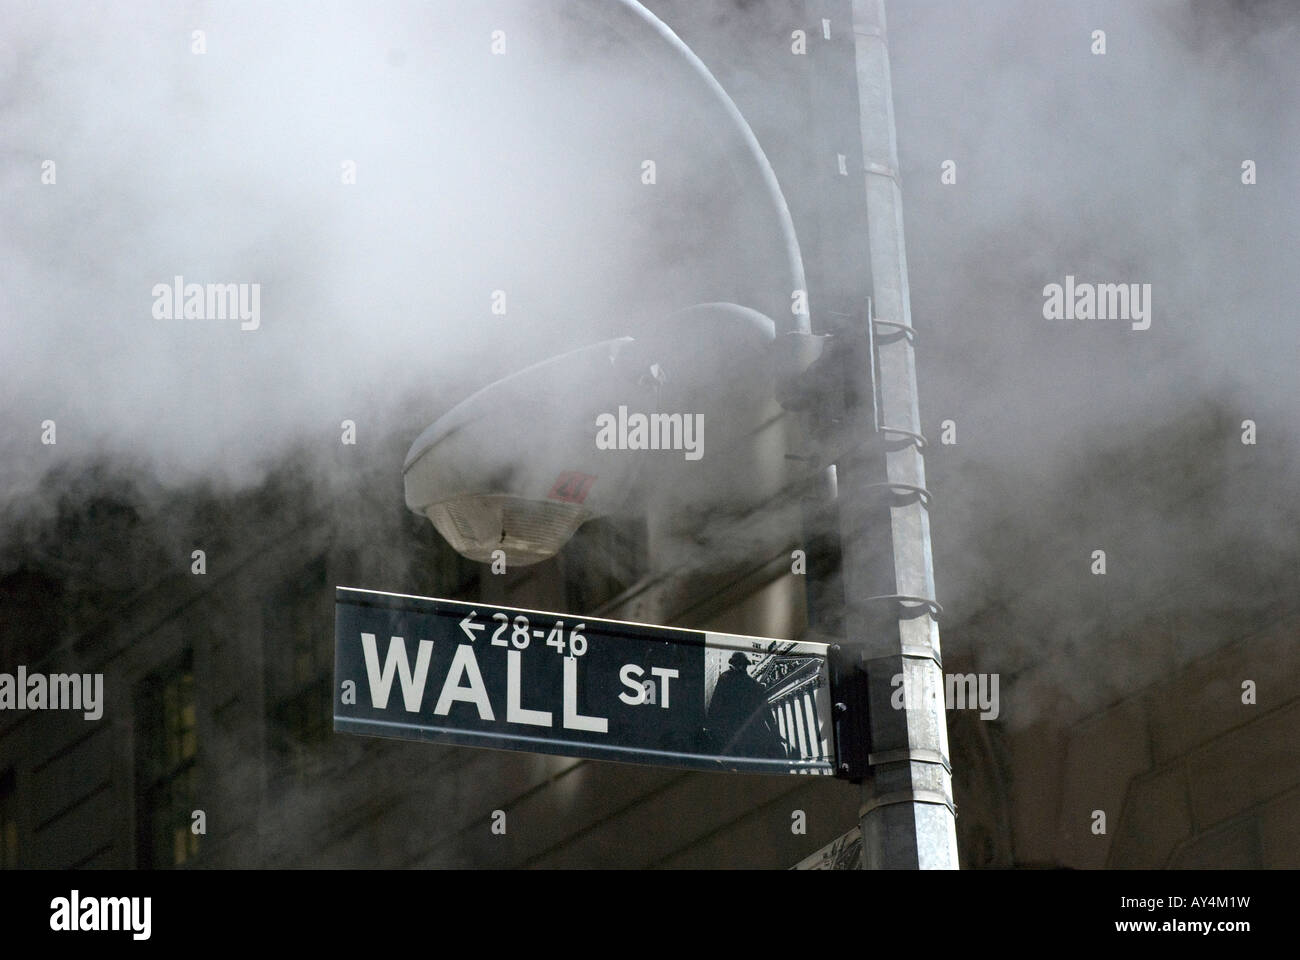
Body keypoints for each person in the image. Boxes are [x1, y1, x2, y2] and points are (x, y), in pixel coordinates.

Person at [706, 651, 788, 759]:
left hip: (734, 731)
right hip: (751, 731)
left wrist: (711, 727)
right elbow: (767, 712)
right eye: (740, 663)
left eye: (742, 664)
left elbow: (715, 705)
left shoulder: (726, 678)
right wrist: (775, 733)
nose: (741, 666)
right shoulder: (754, 684)